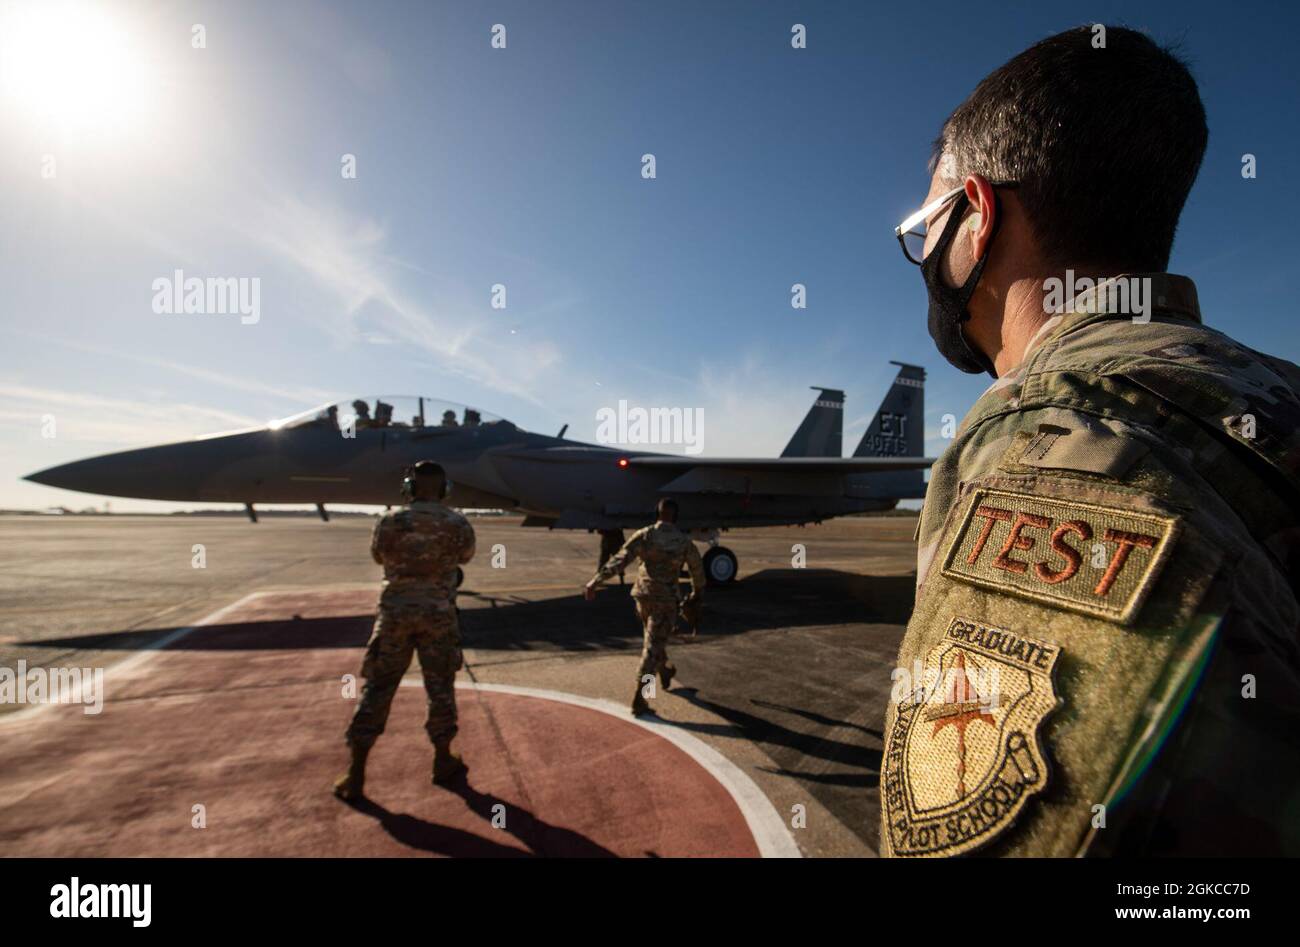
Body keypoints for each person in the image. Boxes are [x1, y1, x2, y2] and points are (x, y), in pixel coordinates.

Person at [883, 25, 1300, 857]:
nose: (923, 256)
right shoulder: (1275, 389)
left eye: (927, 225)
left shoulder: (1046, 440)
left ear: (979, 217)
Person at [334, 461, 476, 800]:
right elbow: (465, 558)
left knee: (379, 688)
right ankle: (442, 760)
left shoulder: (390, 521)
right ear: (444, 490)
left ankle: (356, 774)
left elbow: (378, 558)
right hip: (438, 617)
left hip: (395, 616)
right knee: (440, 687)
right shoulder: (457, 523)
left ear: (409, 488)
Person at [584, 499, 705, 715]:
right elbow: (698, 572)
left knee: (654, 640)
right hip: (665, 602)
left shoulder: (645, 535)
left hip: (643, 598)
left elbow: (619, 560)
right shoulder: (684, 542)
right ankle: (642, 697)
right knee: (651, 650)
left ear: (656, 514)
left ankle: (665, 671)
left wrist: (595, 582)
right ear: (675, 516)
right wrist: (696, 594)